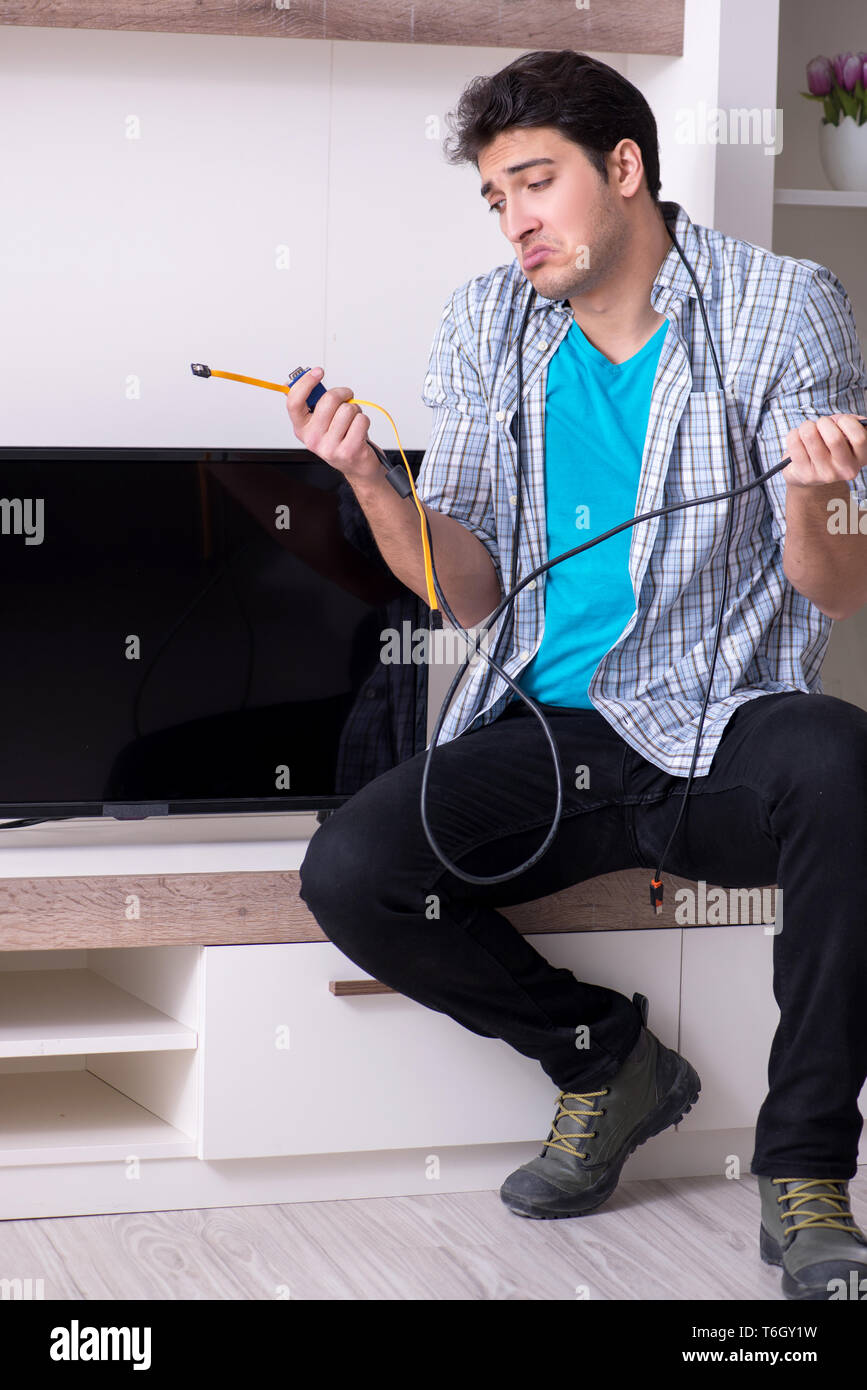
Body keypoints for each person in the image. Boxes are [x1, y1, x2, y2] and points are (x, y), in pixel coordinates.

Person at [289, 49, 867, 1301]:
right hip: (551, 730)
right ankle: (607, 1063)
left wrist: (820, 499)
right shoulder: (487, 321)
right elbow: (473, 590)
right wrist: (375, 487)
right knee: (350, 865)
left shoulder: (785, 304)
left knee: (842, 761)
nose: (516, 222)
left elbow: (837, 586)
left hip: (720, 732)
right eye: (496, 198)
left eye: (535, 183)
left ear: (625, 167)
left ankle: (809, 1168)